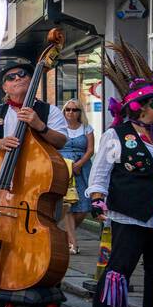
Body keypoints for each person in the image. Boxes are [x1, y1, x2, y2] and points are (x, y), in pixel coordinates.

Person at [87, 77, 153, 307]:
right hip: (130, 213)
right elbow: (100, 173)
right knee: (120, 268)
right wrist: (98, 199)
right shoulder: (116, 135)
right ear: (140, 107)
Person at [0, 61, 69, 157]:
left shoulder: (51, 110)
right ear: (5, 88)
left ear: (30, 81)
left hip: (39, 169)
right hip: (2, 166)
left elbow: (61, 142)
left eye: (22, 74)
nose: (17, 78)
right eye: (11, 77)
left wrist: (39, 125)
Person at [59, 99, 95, 254]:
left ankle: (66, 235)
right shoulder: (59, 128)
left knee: (83, 207)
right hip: (63, 166)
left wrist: (79, 164)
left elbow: (90, 149)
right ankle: (73, 243)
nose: (71, 113)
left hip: (82, 168)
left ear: (80, 112)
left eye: (74, 110)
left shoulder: (86, 128)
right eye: (68, 109)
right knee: (67, 205)